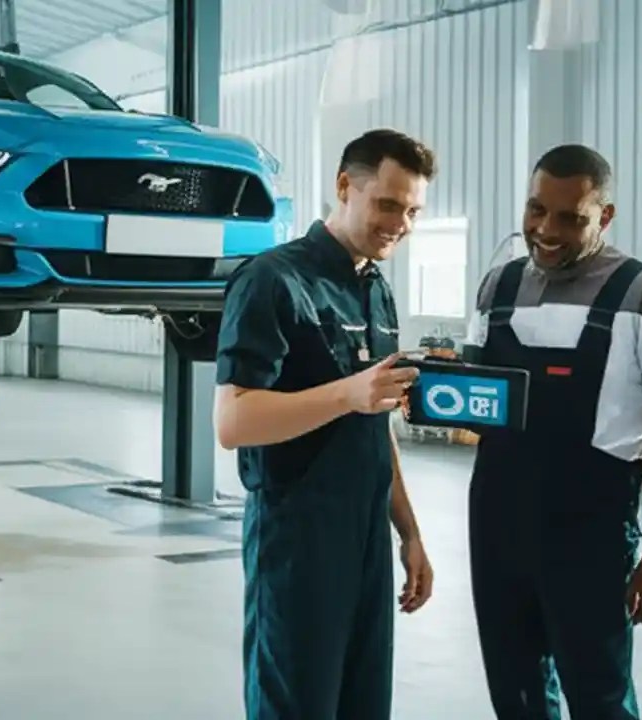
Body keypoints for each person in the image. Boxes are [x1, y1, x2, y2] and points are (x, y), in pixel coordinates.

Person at [462, 144, 642, 719]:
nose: (546, 230)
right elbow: (477, 402)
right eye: (535, 210)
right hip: (496, 518)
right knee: (515, 690)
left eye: (571, 218)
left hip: (589, 528)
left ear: (605, 215)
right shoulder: (495, 289)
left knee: (597, 693)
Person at [212, 128, 438, 719]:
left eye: (412, 210)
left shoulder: (376, 290)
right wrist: (348, 393)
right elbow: (234, 420)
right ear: (345, 186)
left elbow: (375, 422)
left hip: (365, 535)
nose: (400, 223)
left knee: (364, 705)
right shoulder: (271, 280)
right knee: (299, 705)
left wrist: (408, 531)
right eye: (388, 204)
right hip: (297, 536)